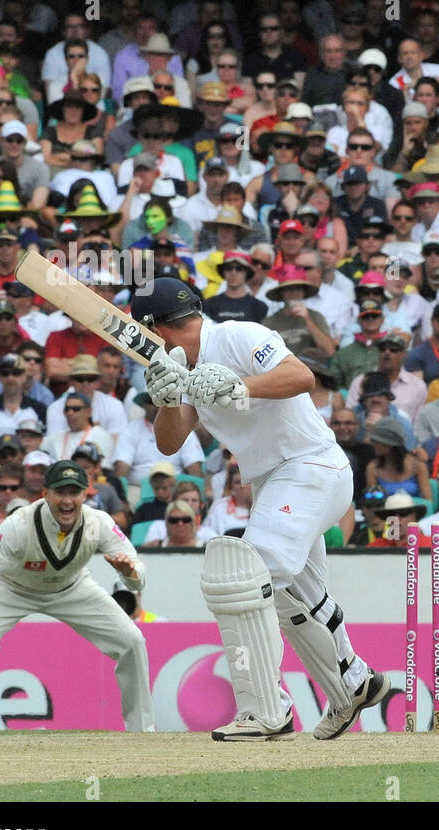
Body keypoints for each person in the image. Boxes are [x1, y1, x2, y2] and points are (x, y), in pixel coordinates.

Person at [135, 277, 386, 741]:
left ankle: (265, 710)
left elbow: (301, 377)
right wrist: (168, 401)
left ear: (156, 329)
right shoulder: (184, 368)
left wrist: (238, 387)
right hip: (273, 482)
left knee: (244, 577)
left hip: (310, 465)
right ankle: (353, 681)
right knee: (297, 596)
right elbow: (170, 442)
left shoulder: (236, 336)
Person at [0, 460, 154, 732]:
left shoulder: (99, 523)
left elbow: (138, 574)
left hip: (72, 588)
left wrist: (130, 572)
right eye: (60, 492)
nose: (67, 500)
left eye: (75, 492)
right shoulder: (19, 525)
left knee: (133, 641)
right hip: (13, 589)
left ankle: (143, 732)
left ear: (86, 494)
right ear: (45, 493)